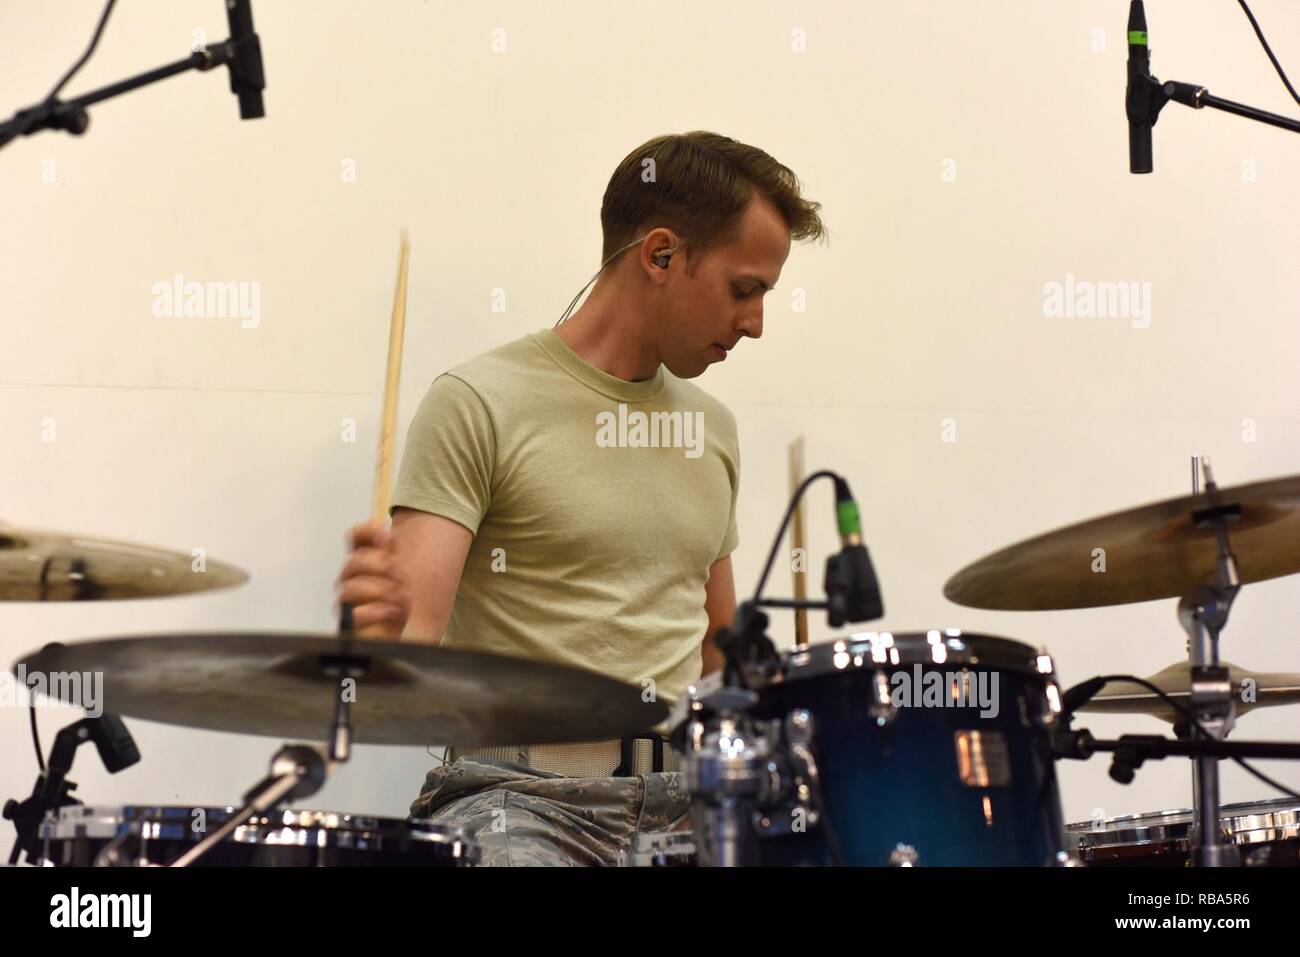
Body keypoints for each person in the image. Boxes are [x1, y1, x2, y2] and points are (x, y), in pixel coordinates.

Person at [337, 130, 826, 865]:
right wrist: (373, 636)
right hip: (518, 798)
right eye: (744, 288)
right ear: (660, 255)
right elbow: (409, 651)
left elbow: (717, 654)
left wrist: (797, 696)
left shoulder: (711, 430)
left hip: (689, 803)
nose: (755, 322)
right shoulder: (478, 402)